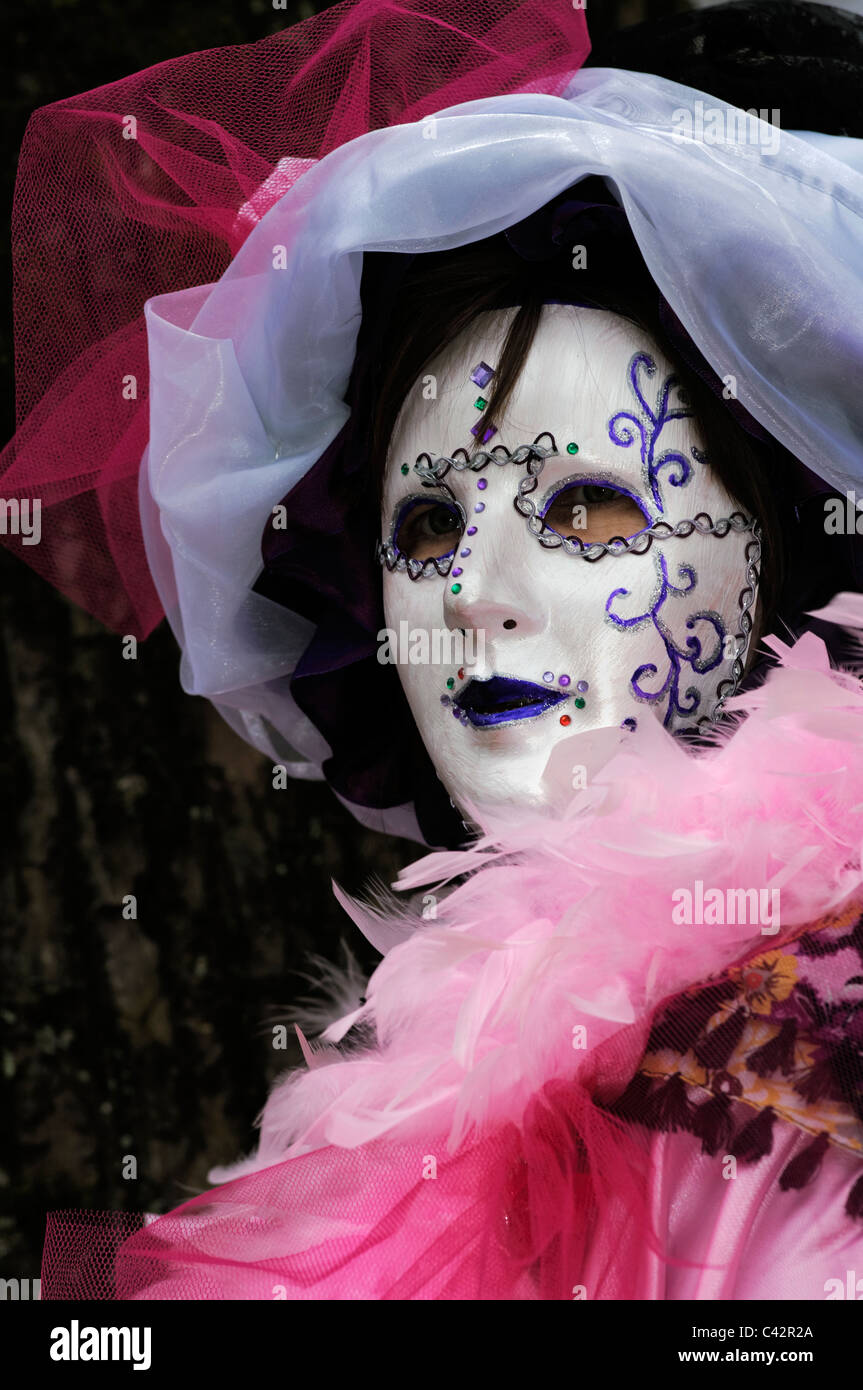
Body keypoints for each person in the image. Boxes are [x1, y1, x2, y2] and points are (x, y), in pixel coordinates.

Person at [5, 0, 863, 1299]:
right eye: (424, 525)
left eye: (586, 506)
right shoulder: (498, 1093)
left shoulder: (801, 1071)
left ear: (785, 544)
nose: (470, 595)